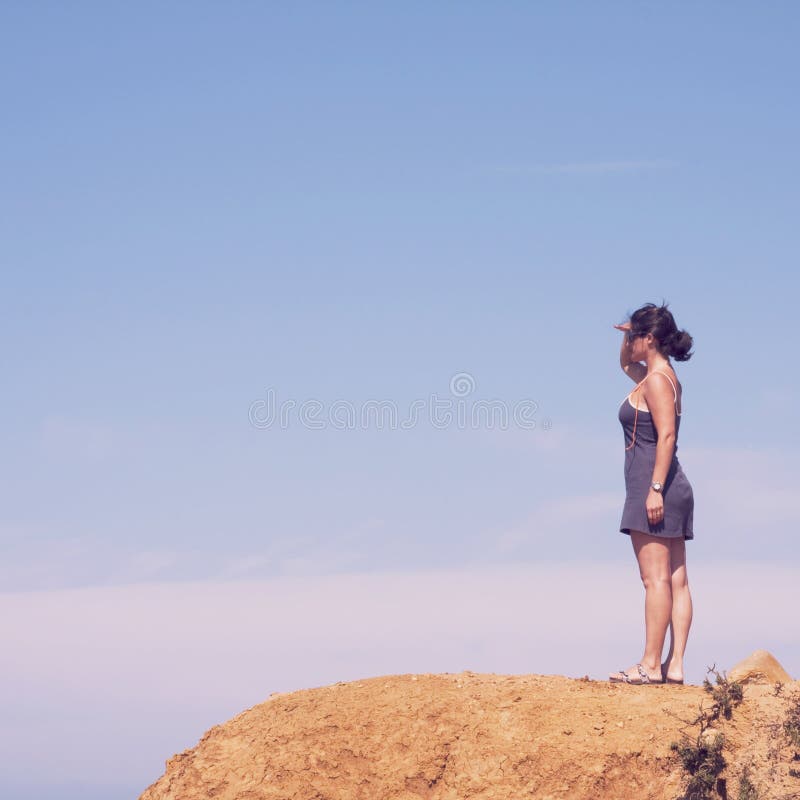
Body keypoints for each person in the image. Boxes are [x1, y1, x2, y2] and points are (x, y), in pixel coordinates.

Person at [609, 302, 695, 685]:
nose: (631, 343)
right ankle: (673, 666)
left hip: (655, 485)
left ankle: (649, 664)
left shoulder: (658, 381)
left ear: (650, 339)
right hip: (671, 485)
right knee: (676, 579)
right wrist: (627, 334)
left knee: (655, 579)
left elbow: (668, 436)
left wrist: (654, 489)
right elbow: (625, 364)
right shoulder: (658, 376)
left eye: (636, 336)